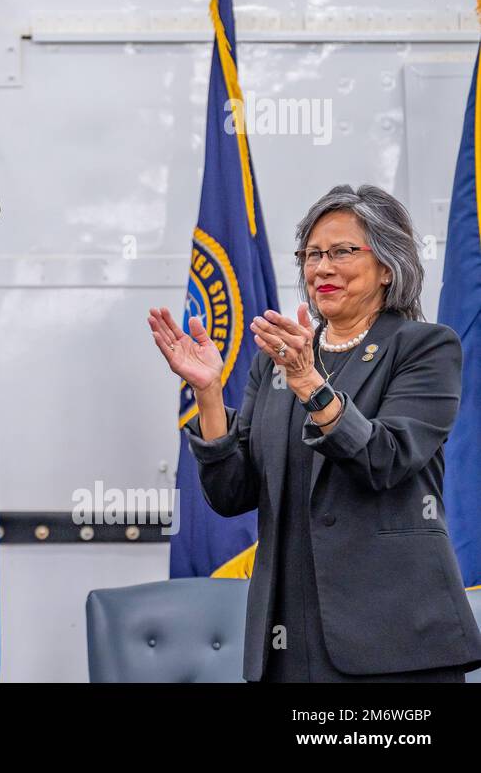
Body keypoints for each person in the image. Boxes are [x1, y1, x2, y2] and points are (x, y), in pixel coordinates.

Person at [148, 184, 481, 682]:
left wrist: (310, 383)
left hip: (396, 643)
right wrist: (210, 394)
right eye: (311, 254)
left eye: (343, 252)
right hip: (289, 641)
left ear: (387, 267)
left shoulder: (425, 348)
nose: (322, 267)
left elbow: (384, 460)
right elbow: (231, 493)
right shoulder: (276, 361)